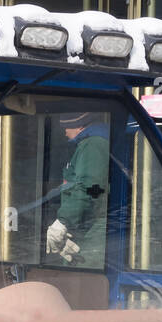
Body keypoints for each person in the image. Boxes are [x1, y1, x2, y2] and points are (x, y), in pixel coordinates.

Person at [46, 111, 109, 263]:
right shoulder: (87, 144)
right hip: (84, 226)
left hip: (92, 229)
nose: (65, 132)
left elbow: (91, 187)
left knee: (86, 276)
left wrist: (63, 222)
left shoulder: (93, 145)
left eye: (67, 127)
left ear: (80, 126)